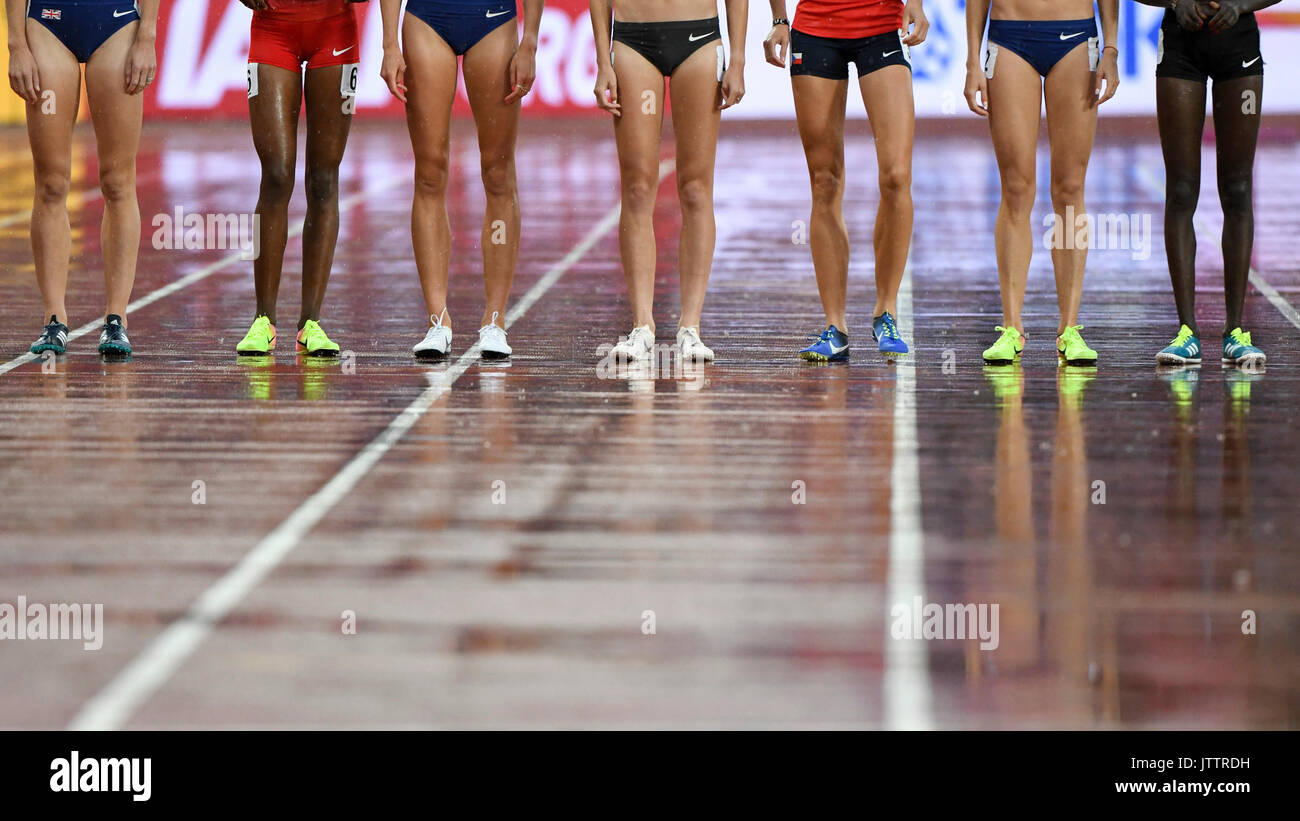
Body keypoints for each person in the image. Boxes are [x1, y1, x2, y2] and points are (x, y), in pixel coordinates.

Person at [763, 0, 928, 362]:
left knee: (897, 176)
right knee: (824, 182)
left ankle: (886, 312)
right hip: (816, 29)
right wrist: (779, 18)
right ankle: (835, 328)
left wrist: (914, 3)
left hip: (883, 24)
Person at [380, 0, 543, 360]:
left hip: (493, 19)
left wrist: (530, 41)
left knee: (498, 173)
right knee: (429, 172)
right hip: (427, 18)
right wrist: (389, 43)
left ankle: (495, 320)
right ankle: (437, 320)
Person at [590, 0, 747, 363]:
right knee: (637, 186)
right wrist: (602, 60)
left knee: (695, 187)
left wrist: (737, 59)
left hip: (700, 39)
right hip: (632, 39)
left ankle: (690, 326)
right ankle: (642, 325)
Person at [964, 0, 1119, 366]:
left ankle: (1070, 328)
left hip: (1077, 37)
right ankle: (1011, 327)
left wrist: (1110, 48)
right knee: (1016, 187)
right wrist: (973, 59)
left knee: (1069, 189)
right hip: (1009, 37)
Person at [10, 0, 159, 357]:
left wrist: (147, 36)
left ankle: (116, 319)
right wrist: (16, 45)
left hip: (117, 22)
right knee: (51, 182)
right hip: (47, 23)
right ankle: (54, 319)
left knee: (117, 180)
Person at [1141, 0, 1276, 368]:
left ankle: (1235, 331)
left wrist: (1241, 5)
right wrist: (1175, 2)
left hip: (1240, 48)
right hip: (1181, 48)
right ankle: (1187, 330)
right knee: (1181, 190)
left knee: (1237, 188)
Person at [235, 0, 366, 357]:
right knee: (276, 174)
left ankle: (312, 323)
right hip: (274, 26)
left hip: (335, 29)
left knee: (324, 179)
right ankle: (263, 319)